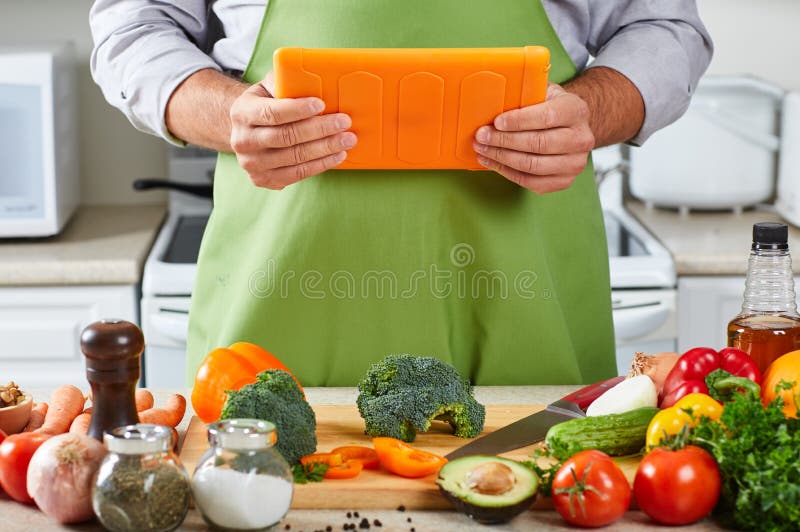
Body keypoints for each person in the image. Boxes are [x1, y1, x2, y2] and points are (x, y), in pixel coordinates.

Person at [90, 1, 712, 386]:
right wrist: (225, 113)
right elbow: (132, 23)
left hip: (528, 315)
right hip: (274, 327)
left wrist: (592, 110)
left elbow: (666, 25)